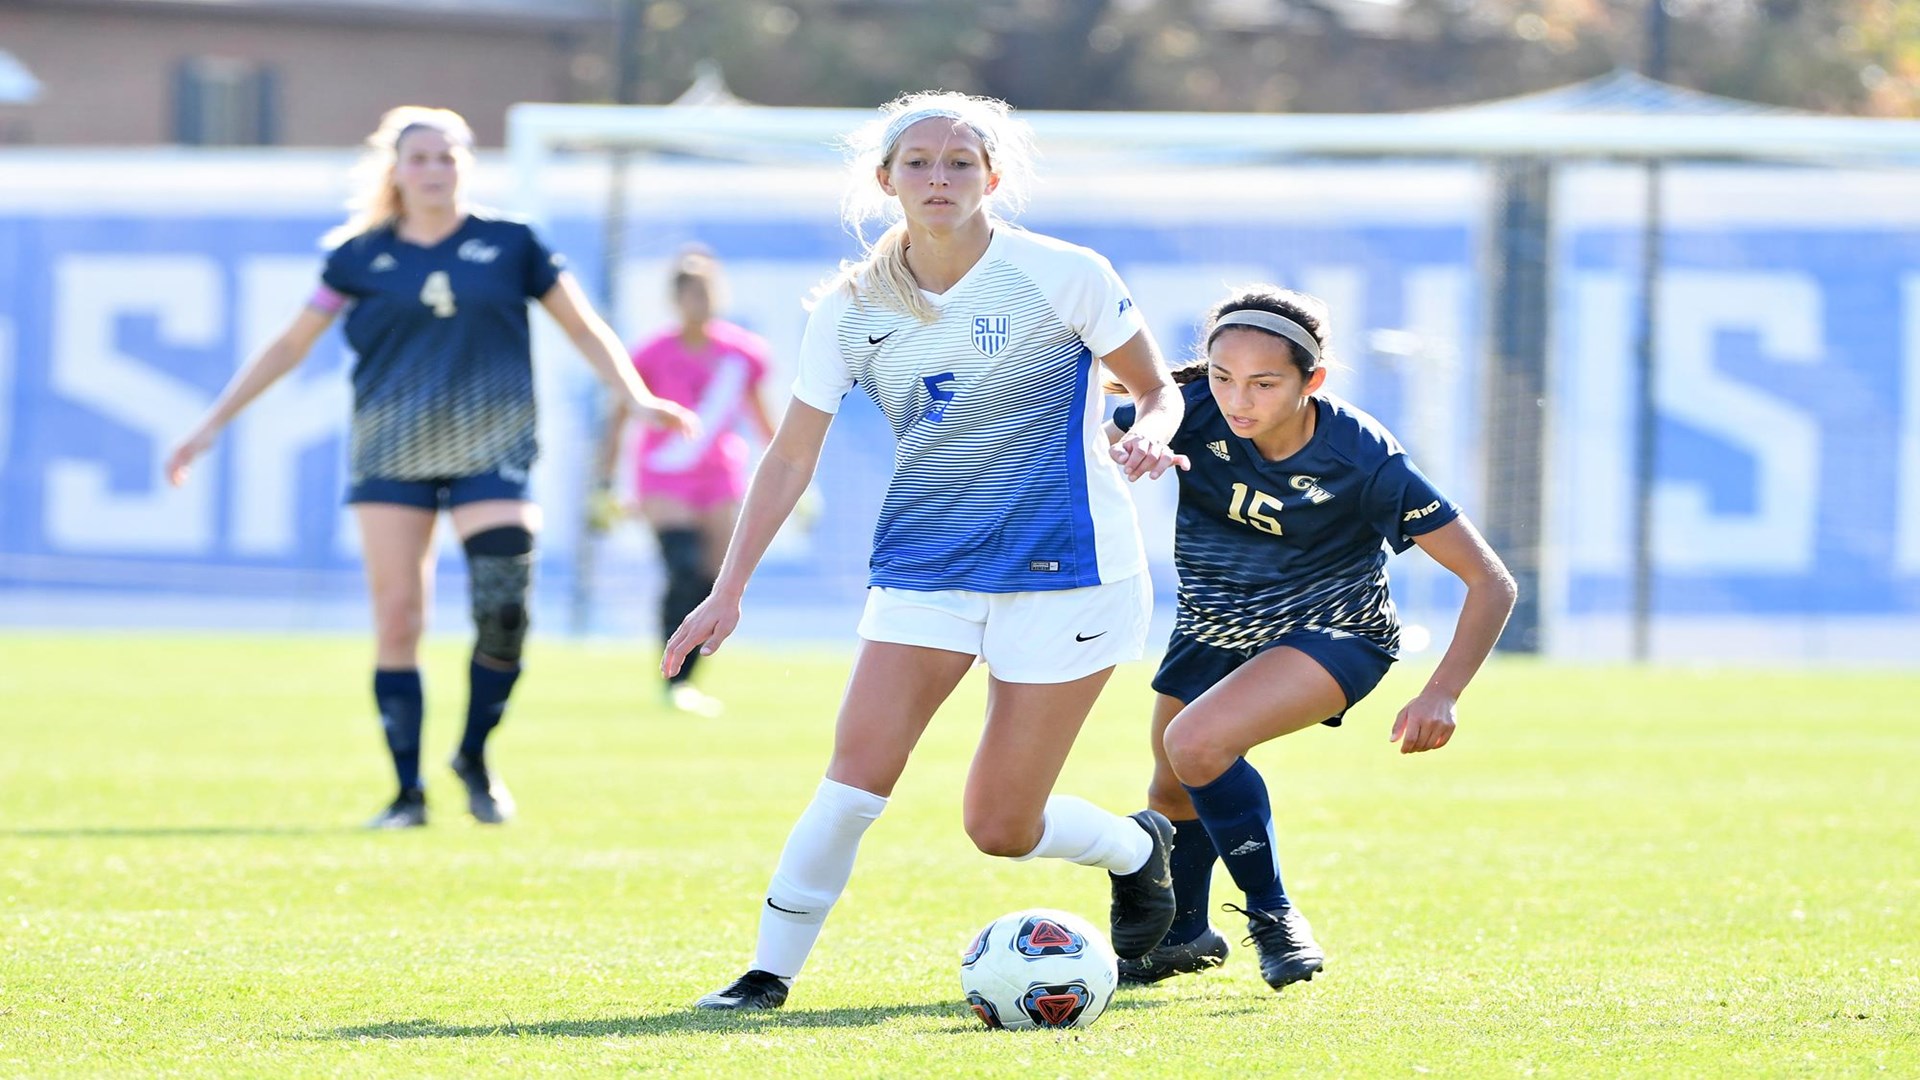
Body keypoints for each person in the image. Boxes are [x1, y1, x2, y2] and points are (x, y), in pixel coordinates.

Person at [663, 91, 1191, 1010]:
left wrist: (1149, 431)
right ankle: (766, 975)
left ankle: (1136, 847)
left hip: (1071, 574)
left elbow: (1157, 390)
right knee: (852, 782)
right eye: (918, 162)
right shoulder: (849, 308)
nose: (938, 178)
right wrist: (728, 587)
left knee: (999, 826)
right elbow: (789, 455)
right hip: (926, 568)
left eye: (958, 162)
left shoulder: (1064, 273)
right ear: (886, 180)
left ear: (993, 176)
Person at [165, 106, 695, 830]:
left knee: (504, 609)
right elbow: (289, 345)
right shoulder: (357, 256)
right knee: (398, 619)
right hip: (392, 453)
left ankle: (473, 755)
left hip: (493, 449)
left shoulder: (513, 244)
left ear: (466, 165)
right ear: (396, 169)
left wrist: (634, 395)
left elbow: (580, 324)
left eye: (448, 156)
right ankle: (406, 794)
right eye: (420, 158)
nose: (435, 169)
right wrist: (209, 426)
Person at [1107, 286, 1517, 993]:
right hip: (1213, 628)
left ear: (1312, 381)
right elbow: (1084, 429)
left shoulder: (1362, 457)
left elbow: (1490, 581)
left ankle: (1274, 916)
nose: (1238, 400)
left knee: (1196, 743)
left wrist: (1442, 693)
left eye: (1264, 383)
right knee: (1173, 788)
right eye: (1223, 377)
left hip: (1337, 631)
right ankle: (1181, 940)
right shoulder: (1190, 411)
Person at [595, 250, 777, 718]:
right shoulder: (652, 353)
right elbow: (619, 417)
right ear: (675, 299)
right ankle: (670, 678)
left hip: (719, 477)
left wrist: (797, 482)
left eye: (707, 291)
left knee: (711, 582)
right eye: (691, 292)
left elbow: (764, 420)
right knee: (682, 567)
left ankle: (687, 681)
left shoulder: (742, 354)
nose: (701, 301)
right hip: (664, 473)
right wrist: (604, 483)